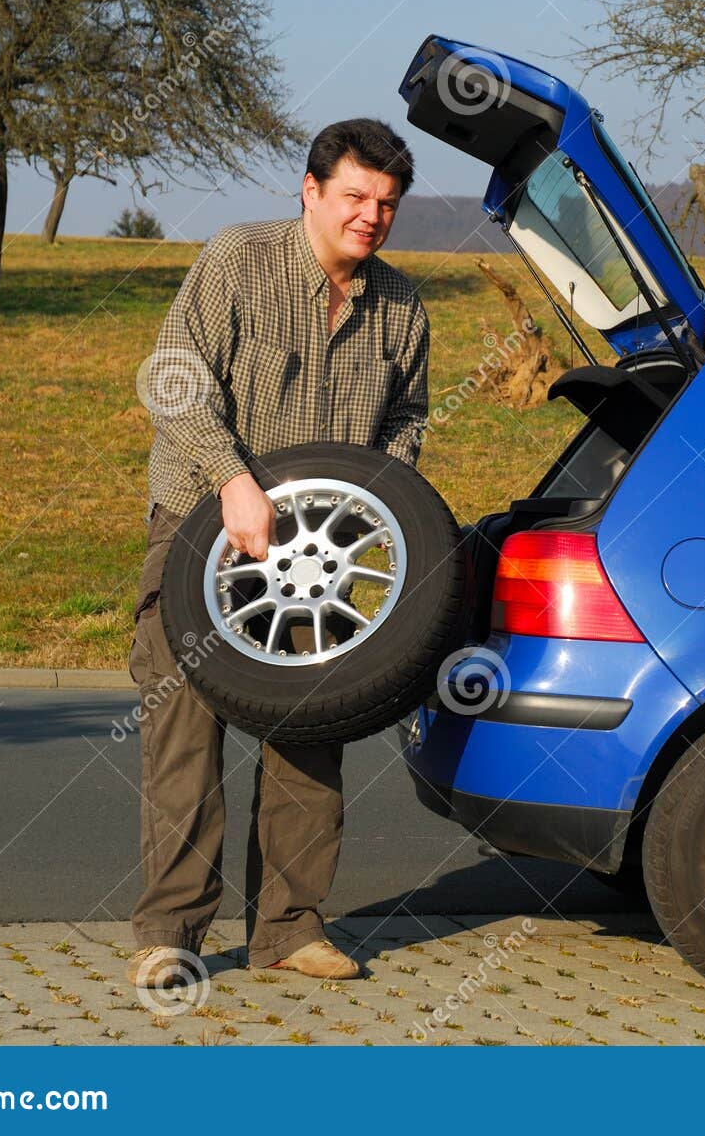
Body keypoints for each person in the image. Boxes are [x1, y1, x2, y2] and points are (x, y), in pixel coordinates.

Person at [125, 119, 429, 986]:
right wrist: (232, 479)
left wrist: (382, 493)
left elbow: (408, 417)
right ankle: (170, 934)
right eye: (354, 197)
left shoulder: (402, 306)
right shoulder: (237, 259)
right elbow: (172, 376)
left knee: (311, 729)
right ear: (310, 190)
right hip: (201, 534)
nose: (370, 217)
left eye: (386, 204)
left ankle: (290, 929)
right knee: (183, 732)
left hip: (320, 557)